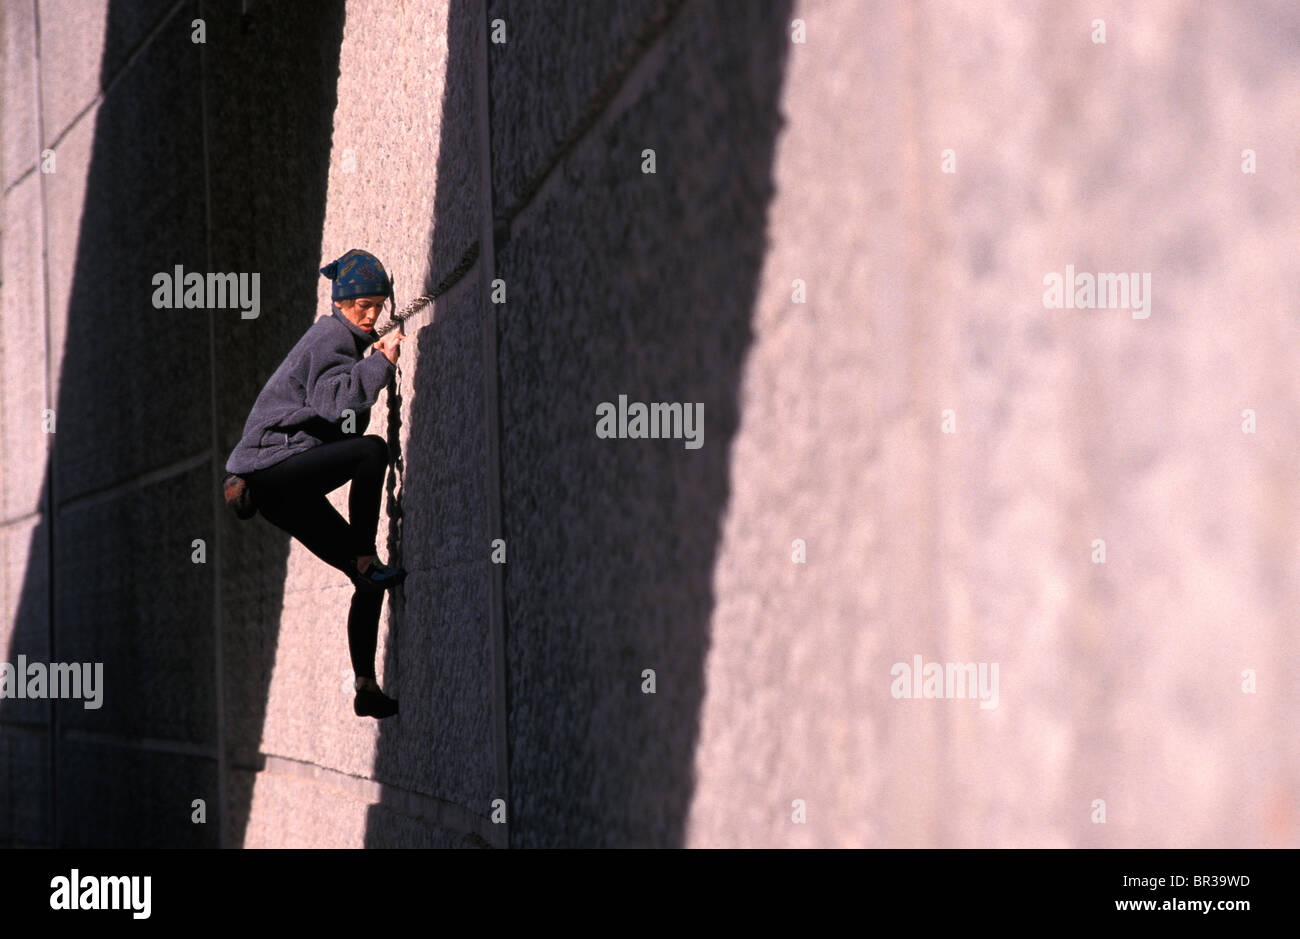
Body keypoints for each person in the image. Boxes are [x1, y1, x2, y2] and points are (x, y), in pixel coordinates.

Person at [222, 248, 408, 719]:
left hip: (279, 488)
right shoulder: (331, 336)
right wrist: (381, 363)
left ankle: (365, 687)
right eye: (362, 306)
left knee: (366, 582)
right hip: (273, 469)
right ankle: (366, 556)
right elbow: (333, 403)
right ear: (341, 304)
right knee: (370, 451)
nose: (372, 315)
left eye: (378, 307)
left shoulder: (342, 338)